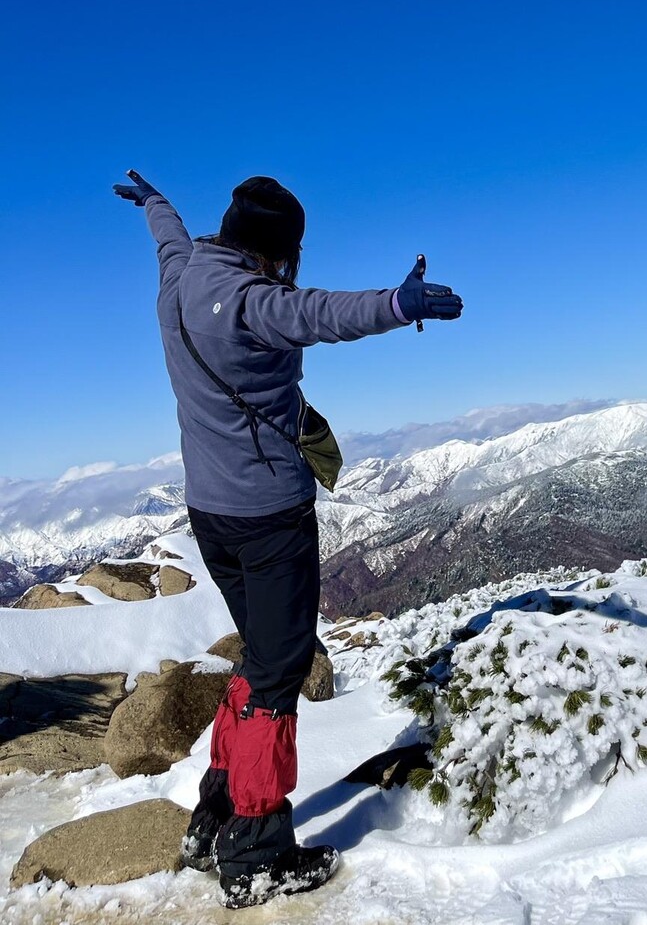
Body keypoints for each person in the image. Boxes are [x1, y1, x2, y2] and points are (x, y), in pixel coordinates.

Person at [113, 170, 463, 909]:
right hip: (270, 520)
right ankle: (255, 849)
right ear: (280, 250)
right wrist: (399, 303)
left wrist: (154, 203)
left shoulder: (180, 276)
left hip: (210, 518)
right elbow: (325, 312)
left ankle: (216, 807)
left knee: (261, 660)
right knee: (277, 678)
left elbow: (167, 238)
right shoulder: (253, 302)